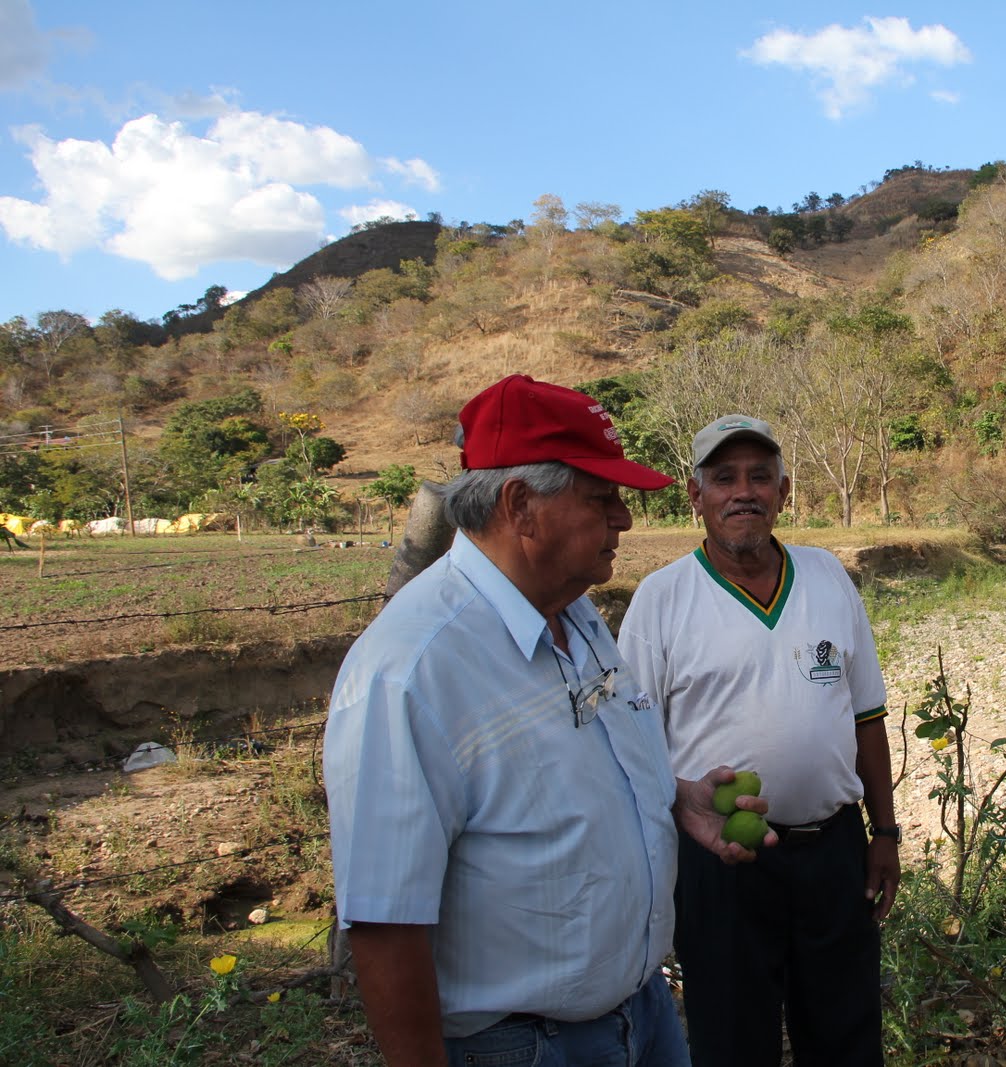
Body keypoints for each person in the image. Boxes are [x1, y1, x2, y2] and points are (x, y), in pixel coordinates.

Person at [324, 376, 769, 1067]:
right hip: (523, 1046)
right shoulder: (410, 670)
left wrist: (676, 798)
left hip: (643, 1013)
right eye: (602, 498)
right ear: (521, 505)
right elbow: (385, 922)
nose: (623, 518)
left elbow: (584, 762)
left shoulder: (575, 611)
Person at [618, 415, 900, 1067]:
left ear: (785, 490)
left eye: (759, 476)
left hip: (834, 851)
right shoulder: (660, 601)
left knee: (847, 1036)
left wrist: (883, 833)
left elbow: (867, 716)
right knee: (732, 1039)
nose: (743, 491)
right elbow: (628, 749)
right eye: (724, 477)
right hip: (722, 863)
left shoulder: (828, 576)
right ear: (695, 496)